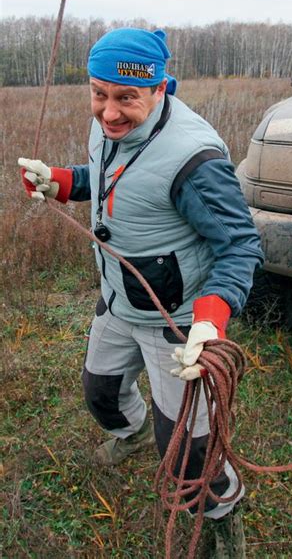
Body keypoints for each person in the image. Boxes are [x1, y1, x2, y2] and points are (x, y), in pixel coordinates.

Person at [18, 27, 264, 558]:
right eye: (98, 93)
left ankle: (223, 510)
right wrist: (61, 180)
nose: (108, 112)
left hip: (176, 320)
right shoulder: (107, 127)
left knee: (186, 455)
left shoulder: (193, 158)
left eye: (126, 98)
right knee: (101, 393)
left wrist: (210, 319)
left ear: (158, 90)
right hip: (118, 299)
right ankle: (129, 433)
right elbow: (115, 180)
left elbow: (241, 245)